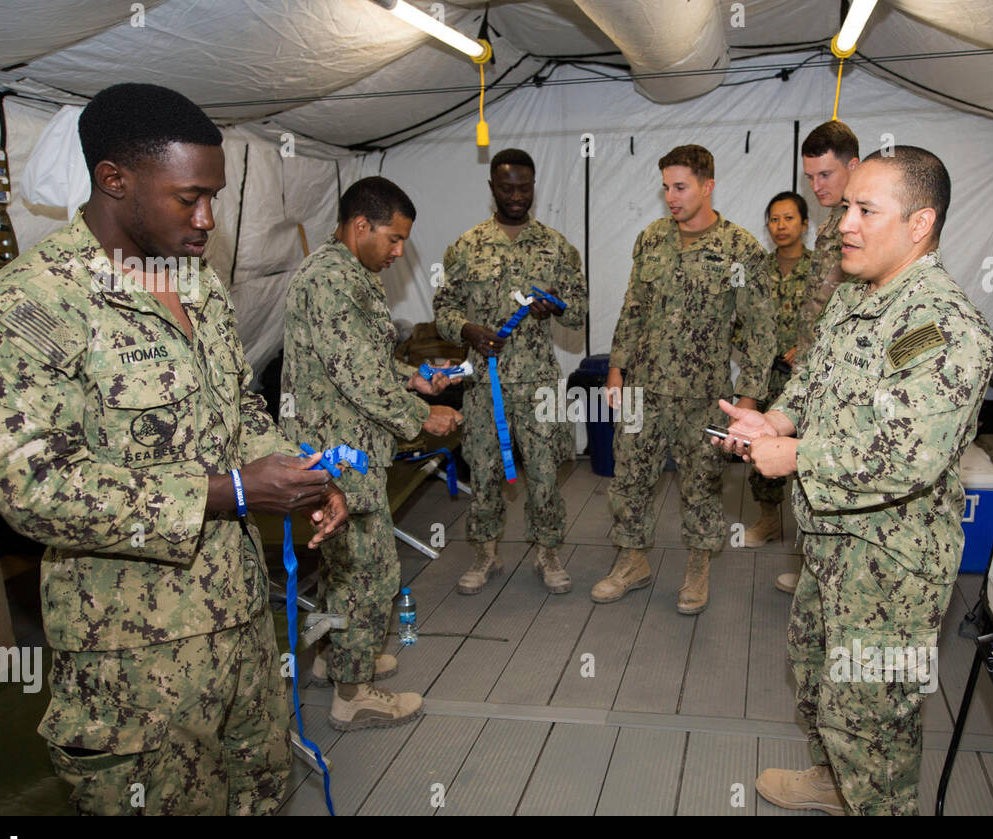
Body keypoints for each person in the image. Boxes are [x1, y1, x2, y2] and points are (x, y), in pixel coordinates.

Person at [0, 83, 349, 815]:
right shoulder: (23, 308)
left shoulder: (194, 284)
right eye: (188, 198)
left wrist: (301, 476)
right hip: (136, 663)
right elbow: (36, 492)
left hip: (240, 626)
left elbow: (239, 409)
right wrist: (233, 491)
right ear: (114, 180)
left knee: (261, 798)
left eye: (216, 199)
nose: (207, 220)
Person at [714, 146, 993, 815]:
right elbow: (812, 379)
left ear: (920, 223)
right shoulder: (851, 298)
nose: (844, 223)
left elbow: (908, 457)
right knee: (815, 682)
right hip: (829, 550)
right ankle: (834, 783)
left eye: (867, 210)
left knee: (874, 728)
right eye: (846, 208)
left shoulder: (944, 326)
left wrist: (797, 456)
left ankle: (869, 798)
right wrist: (773, 421)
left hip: (889, 569)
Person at [281, 176, 461, 731]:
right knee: (371, 572)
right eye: (395, 238)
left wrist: (415, 379)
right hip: (340, 453)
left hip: (342, 444)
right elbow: (358, 375)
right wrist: (420, 416)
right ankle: (352, 694)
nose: (400, 251)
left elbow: (365, 362)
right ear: (361, 226)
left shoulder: (350, 273)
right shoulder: (332, 279)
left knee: (339, 570)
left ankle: (333, 657)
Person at [593, 145, 774, 614]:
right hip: (644, 391)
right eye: (665, 187)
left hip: (703, 397)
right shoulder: (652, 239)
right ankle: (632, 562)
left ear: (707, 186)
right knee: (629, 479)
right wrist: (616, 369)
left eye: (680, 187)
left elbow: (759, 331)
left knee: (702, 485)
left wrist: (749, 400)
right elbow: (633, 308)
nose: (670, 197)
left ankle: (698, 568)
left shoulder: (740, 250)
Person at [433, 148, 587, 595]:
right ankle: (485, 553)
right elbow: (444, 309)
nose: (517, 196)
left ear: (534, 186)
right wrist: (468, 330)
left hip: (538, 382)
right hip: (485, 383)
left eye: (525, 187)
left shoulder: (557, 247)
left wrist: (552, 308)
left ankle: (548, 552)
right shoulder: (465, 248)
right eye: (507, 187)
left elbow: (577, 314)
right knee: (483, 473)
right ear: (492, 189)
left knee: (543, 473)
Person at [771, 120, 862, 587]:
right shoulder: (832, 226)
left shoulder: (864, 226)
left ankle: (828, 578)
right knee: (811, 482)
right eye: (809, 177)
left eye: (825, 175)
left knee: (833, 481)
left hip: (844, 380)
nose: (816, 186)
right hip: (813, 373)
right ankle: (814, 571)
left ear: (854, 166)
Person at [739, 191, 812, 548]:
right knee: (763, 448)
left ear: (804, 224)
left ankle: (810, 532)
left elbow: (836, 318)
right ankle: (769, 520)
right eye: (774, 219)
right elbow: (737, 320)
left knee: (808, 452)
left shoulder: (824, 271)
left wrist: (808, 347)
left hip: (809, 380)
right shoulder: (757, 270)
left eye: (788, 218)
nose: (780, 226)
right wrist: (758, 348)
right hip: (766, 377)